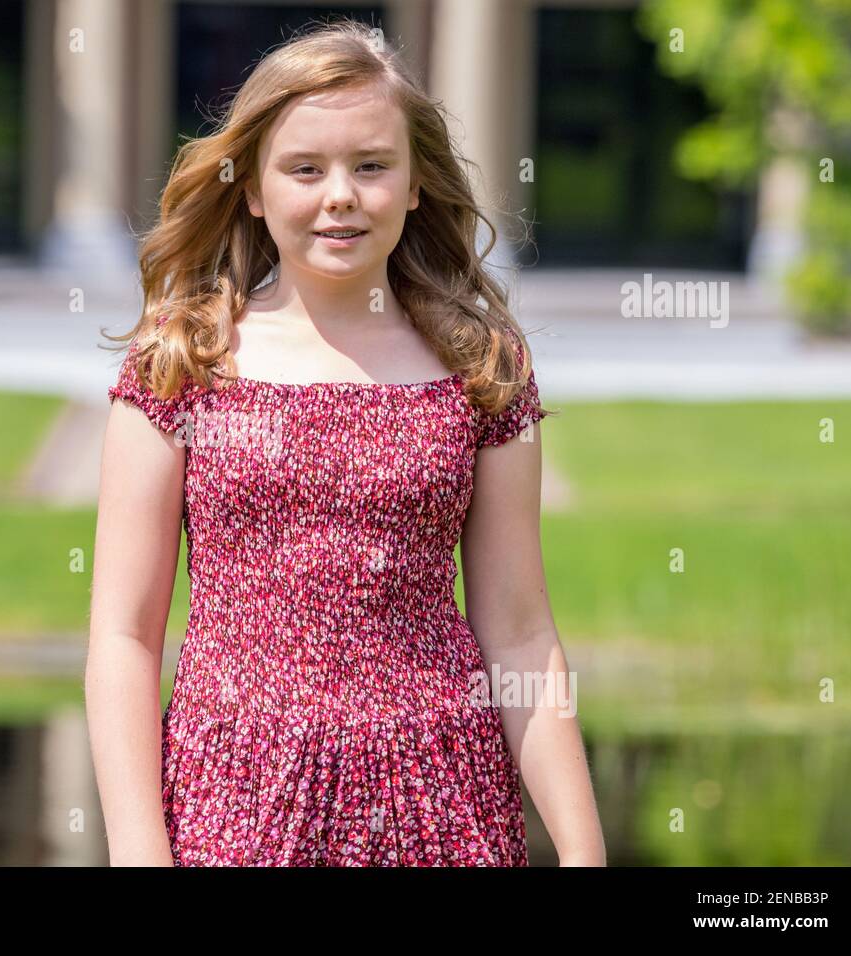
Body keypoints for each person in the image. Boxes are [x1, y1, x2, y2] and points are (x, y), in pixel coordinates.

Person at [85, 18, 606, 867]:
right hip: (233, 800)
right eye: (304, 168)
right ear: (251, 187)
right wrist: (140, 854)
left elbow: (517, 633)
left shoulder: (481, 366)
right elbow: (124, 639)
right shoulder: (181, 362)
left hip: (442, 797)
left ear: (412, 186)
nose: (340, 194)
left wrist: (585, 855)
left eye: (371, 165)